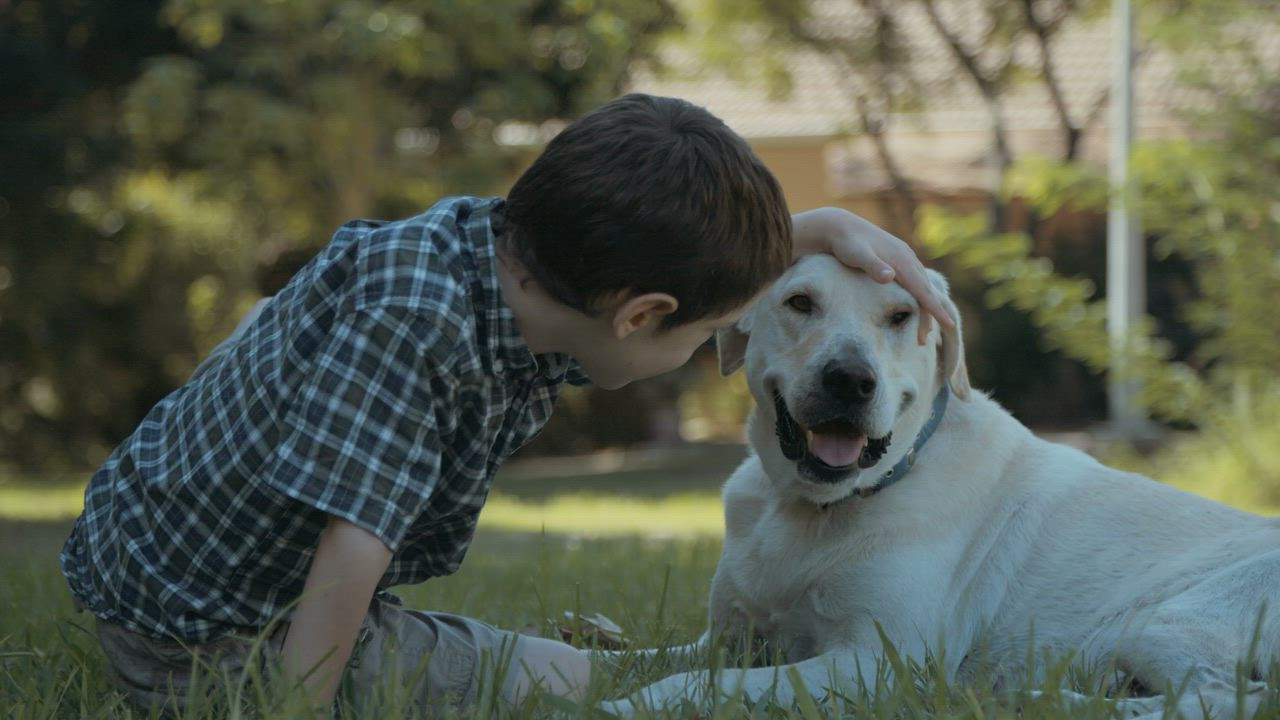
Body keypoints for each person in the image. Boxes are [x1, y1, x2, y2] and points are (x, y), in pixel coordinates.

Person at [60, 93, 953, 715]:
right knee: (565, 687)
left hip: (194, 573)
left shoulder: (503, 261)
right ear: (642, 316)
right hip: (205, 638)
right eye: (698, 336)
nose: (697, 354)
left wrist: (820, 227)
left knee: (549, 666)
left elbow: (653, 257)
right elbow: (345, 559)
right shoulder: (412, 340)